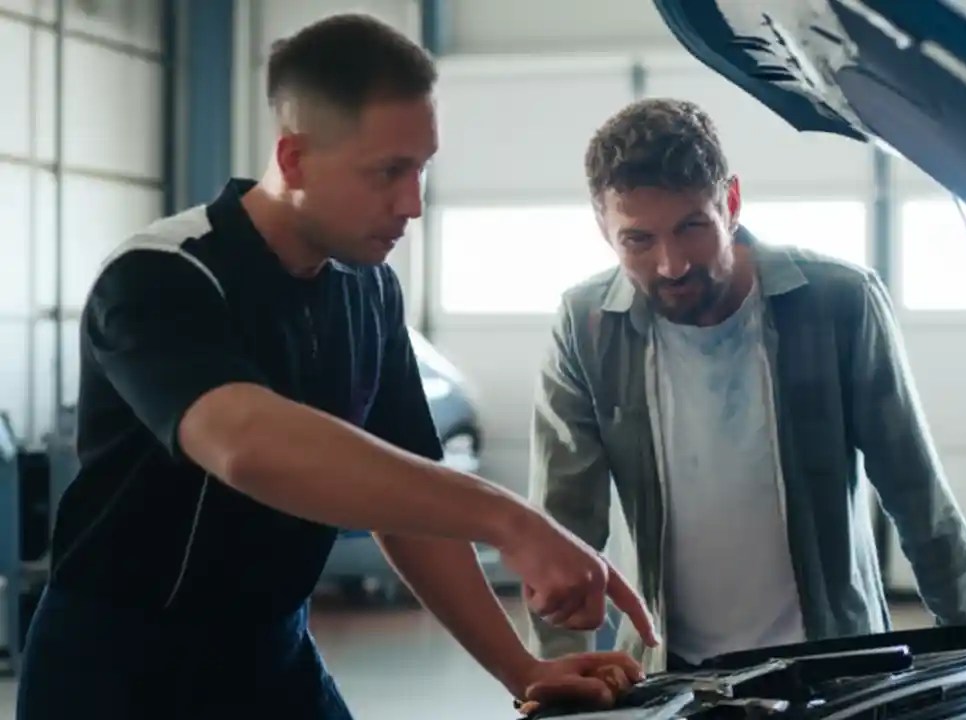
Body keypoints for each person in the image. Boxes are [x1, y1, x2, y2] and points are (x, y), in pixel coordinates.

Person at [17, 14, 656, 719]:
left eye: (421, 168)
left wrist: (522, 669)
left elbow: (409, 507)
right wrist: (512, 520)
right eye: (388, 172)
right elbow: (245, 444)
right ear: (293, 159)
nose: (412, 203)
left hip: (273, 653)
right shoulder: (162, 277)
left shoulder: (368, 287)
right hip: (119, 670)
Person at [527, 98, 966, 673]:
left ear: (730, 202)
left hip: (835, 663)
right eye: (639, 241)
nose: (672, 263)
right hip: (671, 672)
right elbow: (559, 528)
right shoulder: (587, 325)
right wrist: (554, 676)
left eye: (691, 227)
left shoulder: (838, 302)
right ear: (604, 229)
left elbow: (918, 497)